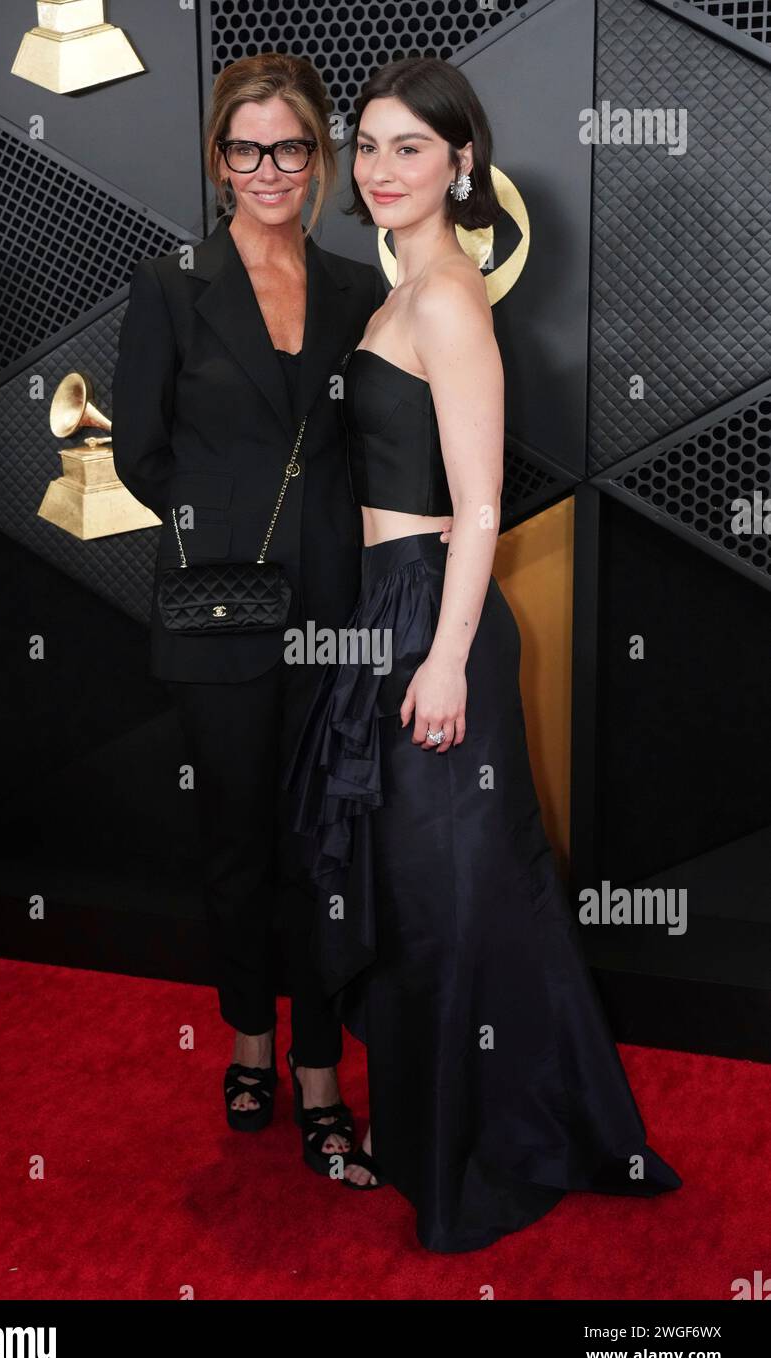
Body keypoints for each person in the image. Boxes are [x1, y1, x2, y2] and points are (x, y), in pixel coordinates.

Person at [283, 56, 682, 1253]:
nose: (379, 168)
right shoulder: (392, 296)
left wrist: (446, 656)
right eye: (365, 145)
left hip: (430, 614)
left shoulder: (449, 296)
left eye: (410, 146)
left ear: (463, 161)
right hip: (380, 607)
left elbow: (478, 505)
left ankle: (495, 1138)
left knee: (455, 893)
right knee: (424, 893)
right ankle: (437, 1128)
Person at [112, 52, 453, 1170]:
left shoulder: (360, 287)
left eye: (291, 148)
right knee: (236, 849)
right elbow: (140, 454)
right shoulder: (170, 284)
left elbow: (379, 443)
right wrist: (226, 535)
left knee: (325, 849)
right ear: (220, 161)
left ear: (316, 161)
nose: (269, 168)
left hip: (340, 613)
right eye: (246, 148)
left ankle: (319, 1071)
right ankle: (250, 1043)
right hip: (219, 617)